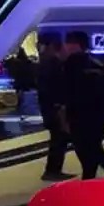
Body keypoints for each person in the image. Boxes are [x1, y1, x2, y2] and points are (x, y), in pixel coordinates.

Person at [62, 31, 104, 179]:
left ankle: (98, 172)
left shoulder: (70, 65)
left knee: (85, 146)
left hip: (80, 112)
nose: (66, 46)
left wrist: (65, 113)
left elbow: (69, 91)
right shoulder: (96, 64)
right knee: (92, 144)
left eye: (69, 43)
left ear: (75, 45)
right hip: (98, 113)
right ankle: (103, 171)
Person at [35, 33, 74, 181]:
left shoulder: (43, 63)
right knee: (59, 139)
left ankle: (53, 169)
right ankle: (52, 170)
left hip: (48, 108)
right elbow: (56, 89)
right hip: (55, 109)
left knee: (58, 139)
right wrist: (60, 107)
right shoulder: (53, 63)